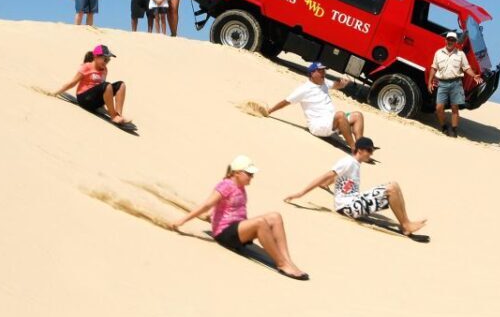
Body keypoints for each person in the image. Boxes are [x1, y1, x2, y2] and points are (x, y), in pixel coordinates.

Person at [172, 155, 309, 281]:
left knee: (275, 216)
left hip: (238, 229)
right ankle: (282, 264)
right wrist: (182, 220)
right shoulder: (225, 185)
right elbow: (207, 204)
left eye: (252, 174)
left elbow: (226, 208)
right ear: (237, 173)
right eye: (249, 174)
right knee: (260, 223)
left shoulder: (240, 185)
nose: (252, 177)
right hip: (224, 234)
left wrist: (211, 216)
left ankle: (288, 260)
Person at [284, 137, 427, 236]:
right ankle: (406, 225)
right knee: (391, 188)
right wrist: (300, 194)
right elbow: (325, 175)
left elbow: (336, 179)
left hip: (352, 203)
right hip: (346, 207)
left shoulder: (354, 164)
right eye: (370, 150)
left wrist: (327, 185)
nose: (371, 154)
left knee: (394, 185)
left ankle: (405, 222)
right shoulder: (348, 162)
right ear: (360, 150)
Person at [266, 62, 364, 150]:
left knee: (358, 115)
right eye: (320, 71)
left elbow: (334, 85)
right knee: (340, 115)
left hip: (331, 121)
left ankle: (361, 146)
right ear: (312, 73)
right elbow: (286, 101)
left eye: (324, 71)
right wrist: (270, 111)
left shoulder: (323, 82)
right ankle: (354, 149)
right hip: (318, 125)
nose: (323, 73)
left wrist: (342, 85)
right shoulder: (304, 89)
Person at [54, 44, 131, 124]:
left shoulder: (105, 70)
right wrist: (57, 92)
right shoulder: (86, 67)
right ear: (95, 57)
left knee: (121, 85)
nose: (106, 62)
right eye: (105, 59)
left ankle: (118, 115)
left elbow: (102, 88)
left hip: (95, 101)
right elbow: (73, 83)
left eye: (108, 60)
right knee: (107, 85)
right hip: (84, 99)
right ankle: (113, 116)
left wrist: (103, 106)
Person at [426, 31, 483, 137]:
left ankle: (454, 130)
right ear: (445, 40)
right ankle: (444, 127)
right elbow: (434, 68)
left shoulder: (460, 54)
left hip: (456, 83)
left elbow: (466, 68)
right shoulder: (438, 53)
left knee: (454, 108)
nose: (450, 41)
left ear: (456, 41)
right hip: (442, 83)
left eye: (453, 40)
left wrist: (474, 75)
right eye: (449, 39)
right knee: (439, 108)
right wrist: (430, 82)